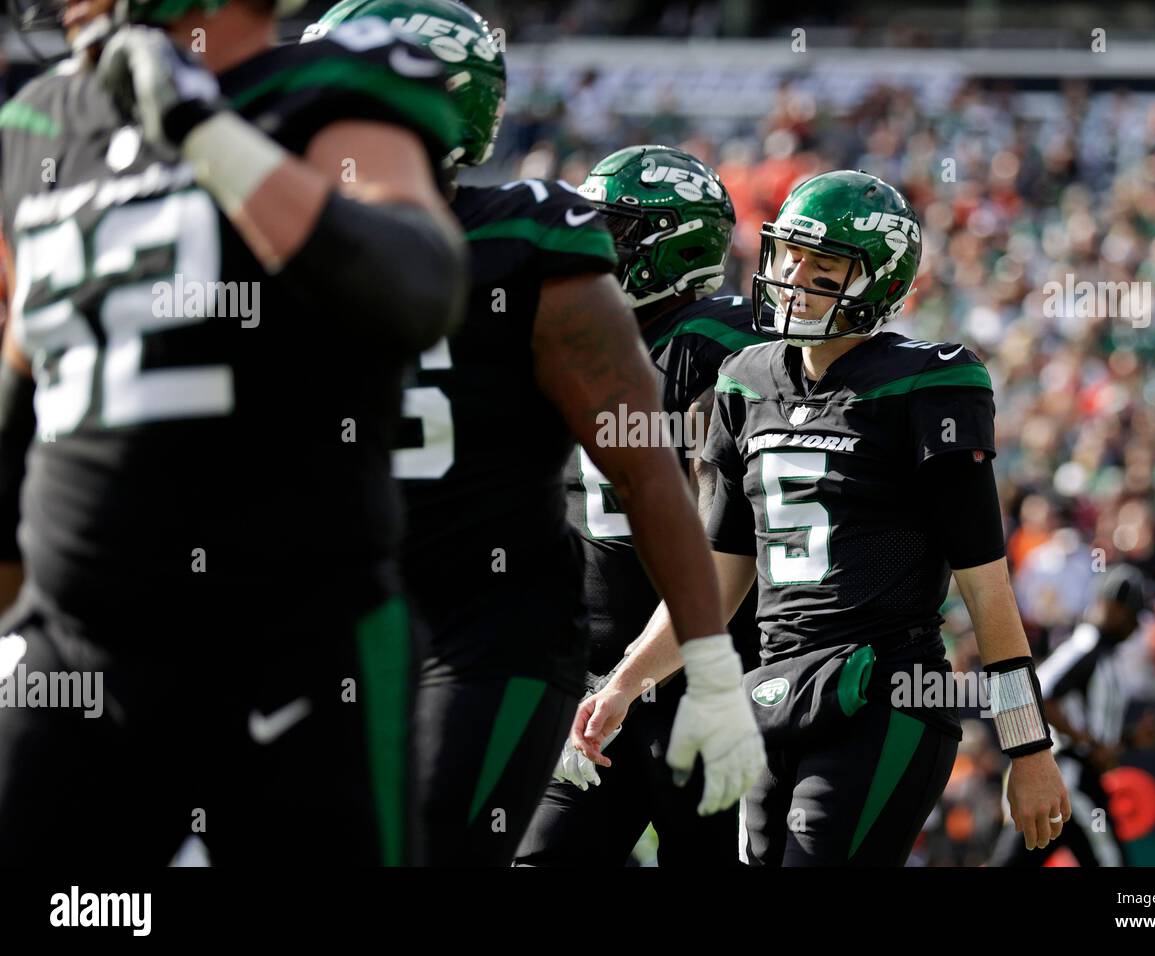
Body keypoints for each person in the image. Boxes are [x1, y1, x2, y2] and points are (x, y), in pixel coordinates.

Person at [0, 0, 468, 864]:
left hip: (292, 648)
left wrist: (203, 133)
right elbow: (18, 405)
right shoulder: (37, 123)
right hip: (72, 646)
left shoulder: (326, 90)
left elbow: (414, 284)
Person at [303, 1, 763, 866]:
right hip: (414, 628)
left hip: (525, 635)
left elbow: (666, 490)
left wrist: (701, 664)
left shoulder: (658, 315)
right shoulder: (275, 240)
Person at [571, 170, 1069, 866]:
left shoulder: (926, 383)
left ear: (880, 281)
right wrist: (624, 683)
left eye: (825, 265)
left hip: (884, 695)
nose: (796, 277)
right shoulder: (747, 378)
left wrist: (1029, 745)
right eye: (790, 256)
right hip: (775, 694)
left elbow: (986, 589)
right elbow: (714, 585)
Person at [515, 144, 768, 867]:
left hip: (700, 681)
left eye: (616, 229)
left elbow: (718, 543)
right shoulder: (583, 338)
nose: (592, 244)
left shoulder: (710, 342)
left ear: (673, 244)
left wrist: (629, 674)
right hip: (603, 692)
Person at [992, 563, 1155, 867]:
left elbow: (1091, 731)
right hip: (1071, 779)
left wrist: (1129, 738)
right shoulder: (1086, 647)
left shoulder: (1103, 655)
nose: (1135, 627)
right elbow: (1039, 695)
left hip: (1073, 779)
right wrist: (1087, 742)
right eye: (1133, 616)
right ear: (1115, 608)